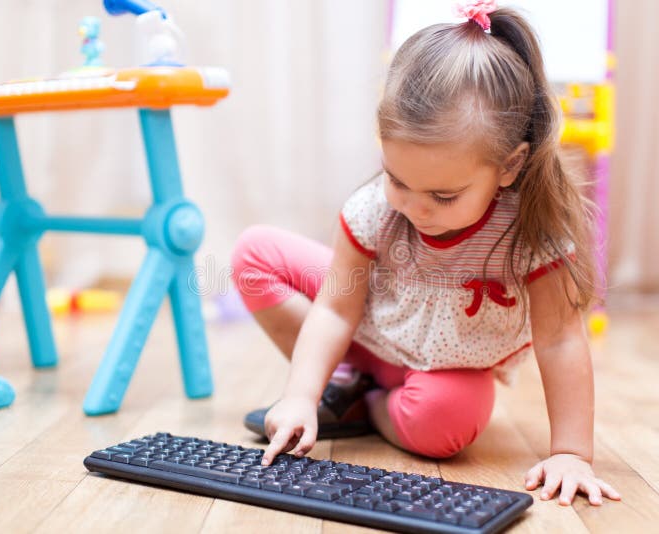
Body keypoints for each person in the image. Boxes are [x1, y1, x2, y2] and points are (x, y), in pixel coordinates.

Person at [230, 0, 621, 506]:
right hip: (372, 328)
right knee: (253, 254)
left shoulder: (532, 233)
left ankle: (366, 404)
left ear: (509, 166)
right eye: (397, 179)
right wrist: (299, 395)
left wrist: (571, 453)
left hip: (445, 368)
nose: (415, 209)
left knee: (446, 422)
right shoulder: (374, 208)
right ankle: (339, 382)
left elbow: (561, 341)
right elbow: (335, 309)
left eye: (443, 195)